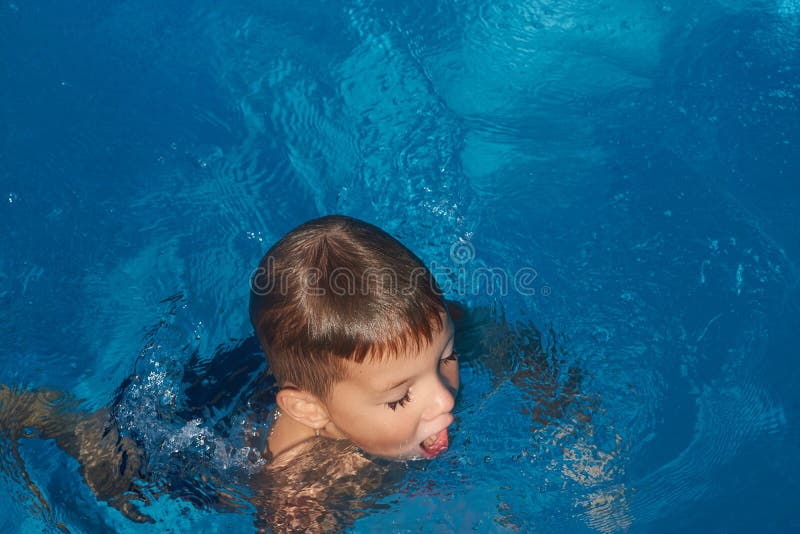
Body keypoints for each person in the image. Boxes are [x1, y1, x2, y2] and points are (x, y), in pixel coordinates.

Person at [0, 214, 462, 532]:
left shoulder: (410, 341)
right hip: (193, 446)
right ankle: (46, 414)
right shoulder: (300, 493)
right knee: (116, 469)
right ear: (312, 410)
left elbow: (488, 332)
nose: (443, 398)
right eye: (400, 397)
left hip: (268, 374)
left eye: (447, 357)